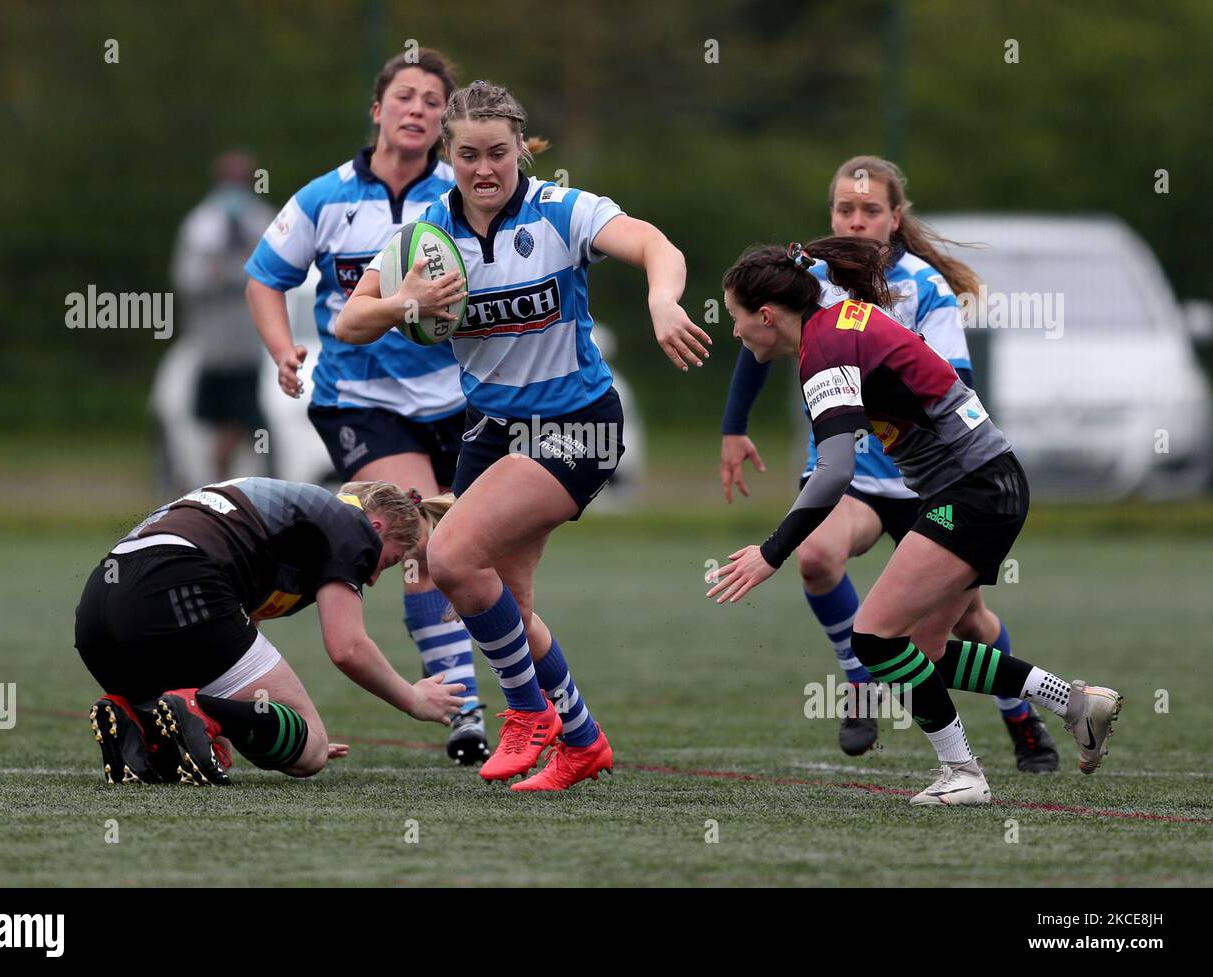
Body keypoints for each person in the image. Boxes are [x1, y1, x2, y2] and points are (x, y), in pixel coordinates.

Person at [335, 79, 711, 791]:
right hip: (493, 430)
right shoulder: (425, 240)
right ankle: (583, 742)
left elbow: (652, 243)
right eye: (469, 154)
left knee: (448, 556)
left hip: (578, 424)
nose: (485, 169)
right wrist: (401, 301)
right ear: (446, 156)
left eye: (499, 154)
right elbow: (347, 324)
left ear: (521, 151)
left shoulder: (560, 210)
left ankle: (527, 713)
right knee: (509, 607)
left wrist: (663, 297)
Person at [709, 238, 1121, 805]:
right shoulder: (828, 313)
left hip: (972, 490)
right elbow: (814, 275)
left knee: (874, 639)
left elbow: (832, 472)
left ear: (766, 315)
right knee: (921, 653)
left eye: (734, 318)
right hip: (986, 482)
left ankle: (964, 774)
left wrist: (770, 552)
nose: (734, 332)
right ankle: (1076, 705)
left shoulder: (823, 348)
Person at [719, 156, 1058, 772]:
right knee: (845, 586)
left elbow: (948, 387)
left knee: (945, 629)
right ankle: (1049, 708)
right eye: (844, 209)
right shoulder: (809, 285)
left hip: (955, 482)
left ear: (894, 218)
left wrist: (769, 552)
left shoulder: (909, 294)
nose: (855, 220)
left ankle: (1011, 727)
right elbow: (764, 338)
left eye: (869, 210)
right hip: (919, 478)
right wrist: (734, 427)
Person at [244, 49, 490, 764]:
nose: (417, 108)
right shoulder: (325, 198)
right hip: (361, 398)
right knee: (421, 537)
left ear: (445, 124)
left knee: (470, 554)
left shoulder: (463, 194)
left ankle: (532, 704)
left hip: (463, 400)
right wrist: (281, 347)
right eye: (405, 95)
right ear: (377, 109)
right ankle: (465, 710)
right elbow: (264, 277)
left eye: (433, 101)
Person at [76, 477, 464, 785]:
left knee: (183, 746)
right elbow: (348, 648)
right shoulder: (352, 525)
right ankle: (187, 712)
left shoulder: (296, 514)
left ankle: (137, 718)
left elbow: (233, 638)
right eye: (390, 560)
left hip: (98, 610)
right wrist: (413, 699)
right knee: (310, 751)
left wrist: (272, 730)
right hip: (178, 586)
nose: (375, 576)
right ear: (376, 527)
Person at [171, 150, 274, 482]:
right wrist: (231, 270)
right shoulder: (199, 225)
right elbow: (187, 278)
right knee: (217, 431)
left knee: (247, 429)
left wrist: (226, 271)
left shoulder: (264, 221)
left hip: (250, 349)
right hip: (214, 351)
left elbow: (271, 273)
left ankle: (239, 490)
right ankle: (219, 490)